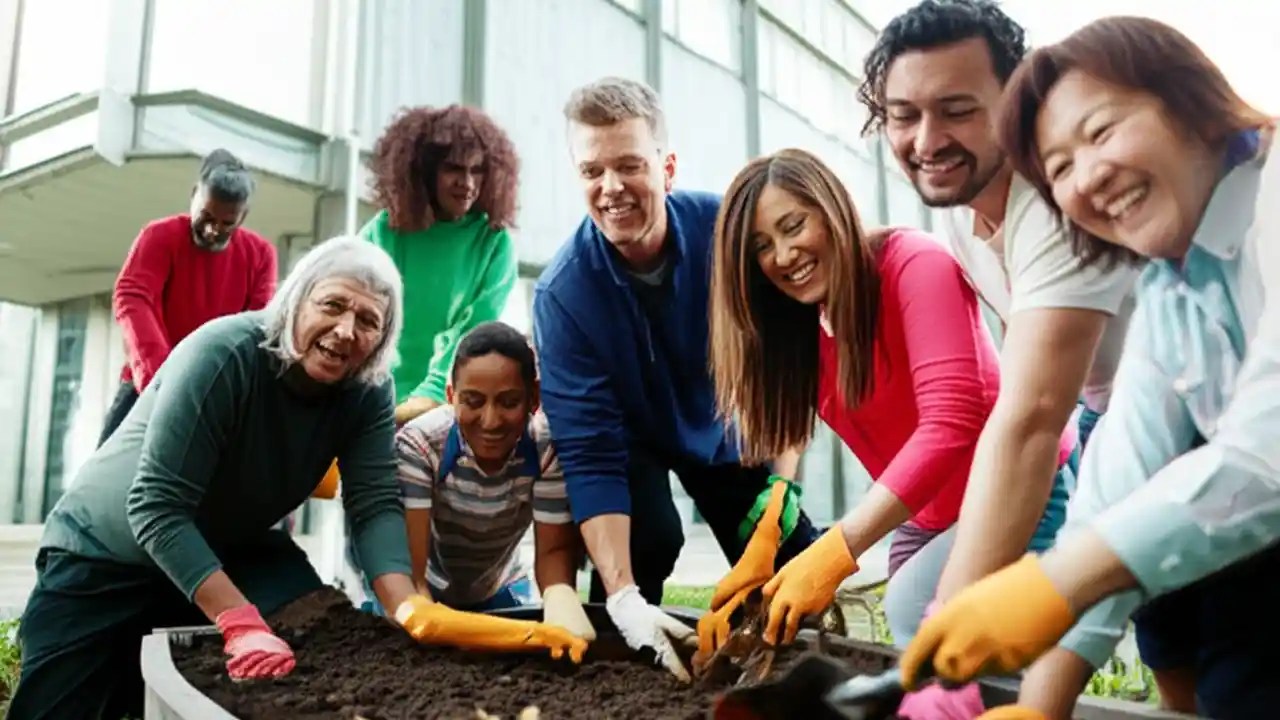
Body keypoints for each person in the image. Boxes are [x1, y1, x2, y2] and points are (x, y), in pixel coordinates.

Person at [7, 238, 584, 720]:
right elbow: (156, 508)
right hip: (108, 554)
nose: (345, 330)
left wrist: (406, 603)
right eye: (332, 305)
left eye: (368, 321)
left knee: (334, 643)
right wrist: (239, 622)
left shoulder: (366, 390)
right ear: (295, 301)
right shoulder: (224, 354)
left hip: (236, 549)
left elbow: (373, 502)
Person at [899, 16, 1280, 720]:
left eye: (1101, 131)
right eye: (1060, 168)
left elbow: (1267, 454)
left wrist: (1057, 583)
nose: (1089, 177)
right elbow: (1115, 487)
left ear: (1188, 101)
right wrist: (1041, 704)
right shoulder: (1172, 285)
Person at [858, 2, 1138, 714]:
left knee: (1215, 653)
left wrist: (946, 638)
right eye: (903, 115)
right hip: (1109, 417)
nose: (927, 140)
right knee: (1171, 642)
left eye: (957, 110)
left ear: (1015, 101)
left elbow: (1031, 419)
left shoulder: (1053, 203)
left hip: (1194, 418)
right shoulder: (964, 211)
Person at [698, 148, 1053, 658]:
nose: (784, 255)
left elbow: (952, 420)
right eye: (762, 247)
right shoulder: (804, 320)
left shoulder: (916, 264)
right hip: (929, 516)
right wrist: (768, 536)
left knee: (921, 616)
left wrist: (836, 550)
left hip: (1022, 488)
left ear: (831, 207)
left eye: (793, 226)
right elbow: (790, 434)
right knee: (924, 650)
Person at [532, 77, 820, 682]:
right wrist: (622, 597)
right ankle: (627, 662)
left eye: (629, 165)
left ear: (666, 168)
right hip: (629, 439)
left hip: (725, 426)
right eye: (592, 171)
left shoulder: (731, 236)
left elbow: (789, 370)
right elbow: (590, 453)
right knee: (651, 539)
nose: (611, 187)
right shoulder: (563, 296)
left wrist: (778, 497)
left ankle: (789, 671)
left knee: (792, 553)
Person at [312, 104, 521, 500]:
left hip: (445, 407)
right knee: (373, 520)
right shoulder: (384, 232)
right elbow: (354, 320)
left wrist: (431, 394)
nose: (468, 183)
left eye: (477, 170)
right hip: (373, 405)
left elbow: (474, 330)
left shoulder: (494, 243)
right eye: (454, 169)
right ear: (424, 170)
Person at [392, 320, 595, 639]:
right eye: (473, 402)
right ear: (451, 397)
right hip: (428, 588)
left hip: (500, 587)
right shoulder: (421, 446)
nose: (490, 421)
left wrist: (561, 604)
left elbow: (552, 556)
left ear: (534, 398)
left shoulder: (546, 448)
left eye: (509, 402)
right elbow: (412, 578)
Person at [100, 148, 277, 446]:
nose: (212, 230)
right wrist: (160, 377)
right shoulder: (159, 236)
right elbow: (132, 297)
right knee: (106, 469)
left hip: (214, 394)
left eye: (226, 223)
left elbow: (255, 330)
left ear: (242, 216)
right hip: (148, 385)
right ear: (194, 194)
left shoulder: (260, 255)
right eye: (206, 216)